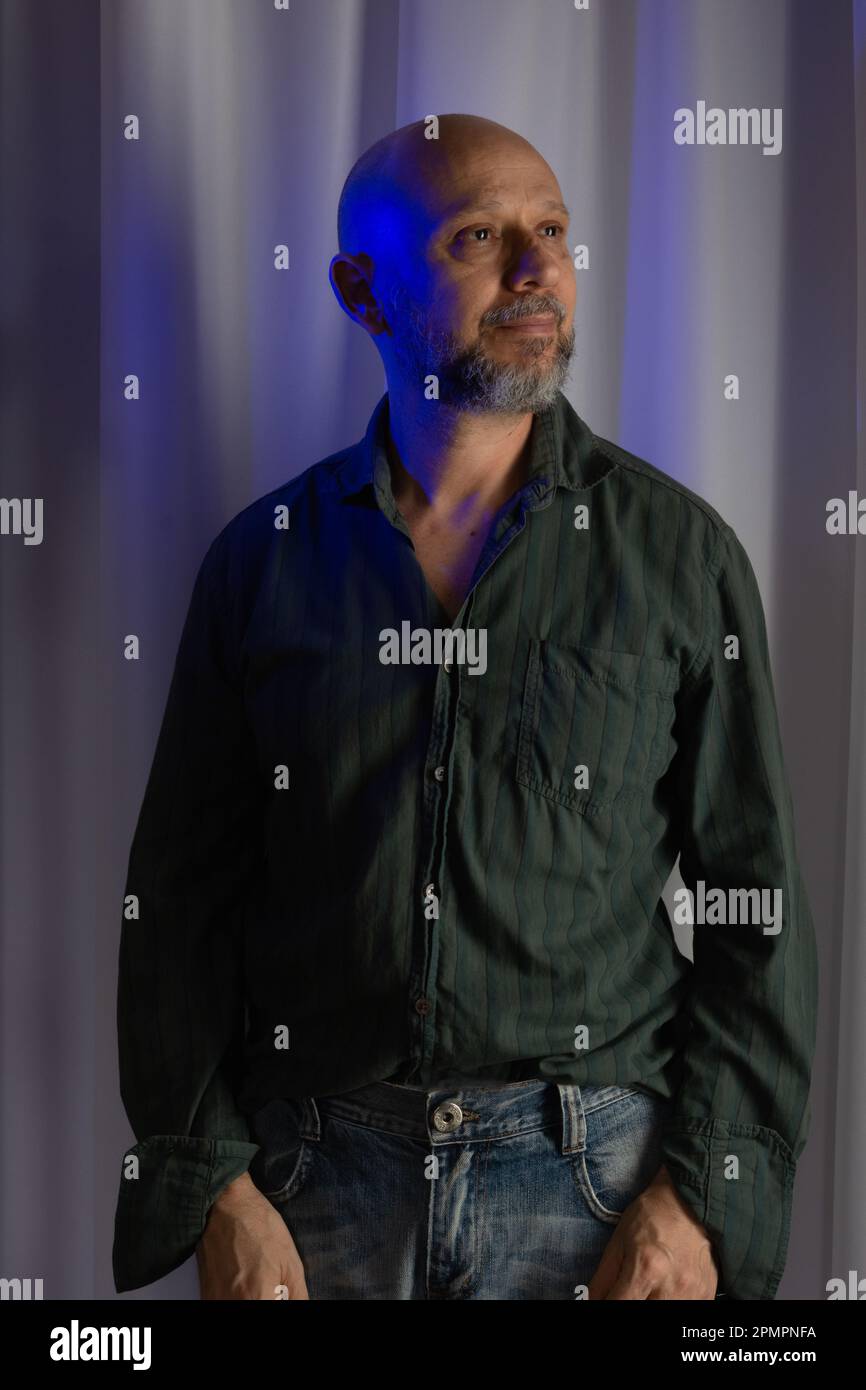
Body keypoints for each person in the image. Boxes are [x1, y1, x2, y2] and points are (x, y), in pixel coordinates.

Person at [113, 114, 818, 1301]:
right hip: (310, 1194)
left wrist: (698, 1201)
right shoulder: (263, 564)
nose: (536, 269)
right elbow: (176, 906)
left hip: (596, 1198)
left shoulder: (677, 558)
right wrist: (217, 1190)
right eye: (478, 237)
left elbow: (756, 911)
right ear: (360, 289)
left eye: (551, 232)